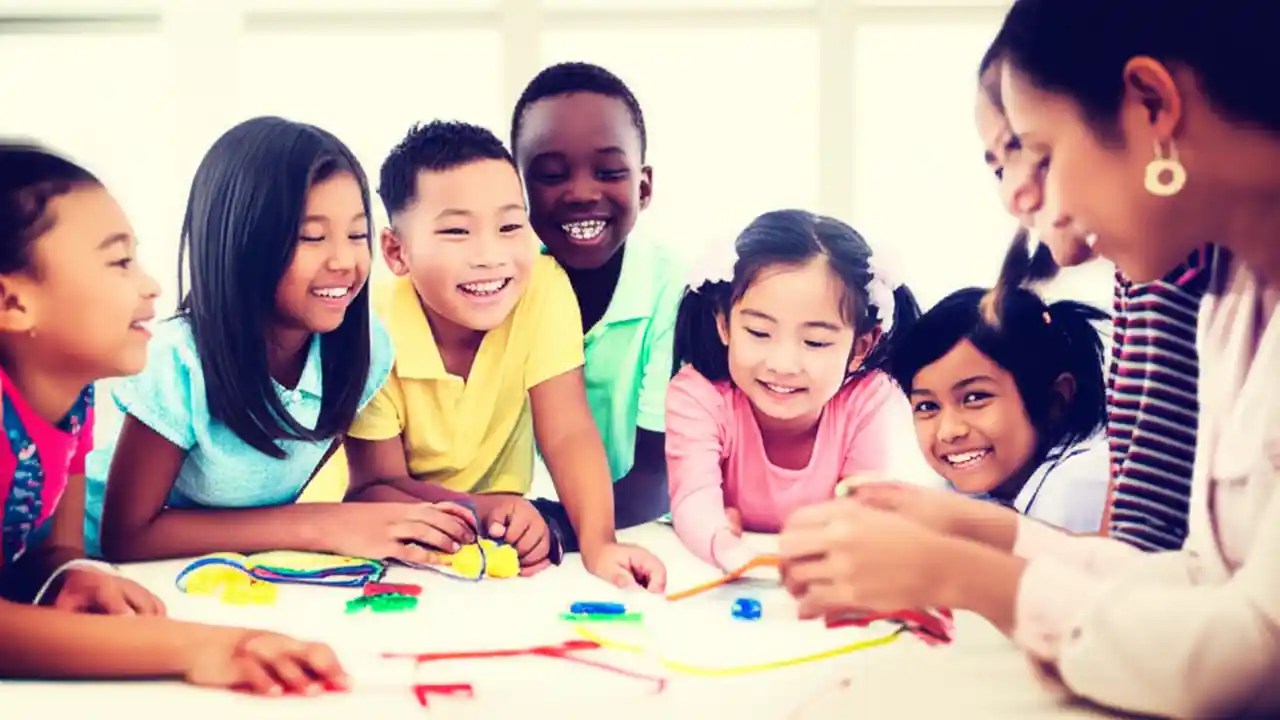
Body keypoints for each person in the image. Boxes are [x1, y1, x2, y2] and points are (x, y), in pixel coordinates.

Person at [780, 2, 1280, 716]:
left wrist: (961, 573)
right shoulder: (1237, 300)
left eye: (1038, 154)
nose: (1022, 198)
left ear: (1153, 104)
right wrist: (964, 530)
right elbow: (1204, 580)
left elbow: (1250, 661)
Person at [0, 141, 347, 694]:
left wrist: (68, 574)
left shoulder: (69, 399)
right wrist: (205, 645)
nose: (150, 284)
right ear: (12, 303)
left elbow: (51, 550)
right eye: (118, 262)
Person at [86, 116, 473, 565]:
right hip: (92, 569)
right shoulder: (180, 360)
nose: (345, 261)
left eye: (357, 234)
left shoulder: (362, 347)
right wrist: (319, 524)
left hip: (219, 574)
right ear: (241, 242)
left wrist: (476, 512)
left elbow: (375, 489)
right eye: (312, 236)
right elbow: (127, 536)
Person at [344, 120, 666, 591]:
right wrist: (482, 509)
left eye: (511, 226)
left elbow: (569, 431)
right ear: (396, 252)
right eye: (457, 231)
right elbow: (373, 489)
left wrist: (599, 544)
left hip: (495, 546)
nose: (490, 255)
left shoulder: (543, 287)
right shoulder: (372, 326)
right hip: (389, 550)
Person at [976, 33, 1212, 550]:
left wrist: (974, 544)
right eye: (997, 166)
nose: (1014, 192)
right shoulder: (1139, 279)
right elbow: (1132, 526)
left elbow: (1150, 550)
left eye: (1034, 149)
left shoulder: (1187, 274)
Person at [665, 209, 920, 570]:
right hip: (720, 574)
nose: (783, 364)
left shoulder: (869, 399)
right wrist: (721, 541)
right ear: (724, 324)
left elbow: (860, 512)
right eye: (758, 333)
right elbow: (693, 497)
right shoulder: (698, 395)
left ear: (860, 348)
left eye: (815, 342)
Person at [511, 61, 684, 542]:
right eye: (549, 175)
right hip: (539, 530)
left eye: (608, 171)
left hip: (656, 532)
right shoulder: (501, 282)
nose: (582, 193)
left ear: (643, 186)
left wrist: (551, 527)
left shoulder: (676, 290)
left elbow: (661, 480)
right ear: (517, 189)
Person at [889, 286, 1109, 532]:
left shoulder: (1077, 488)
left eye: (975, 398)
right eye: (928, 406)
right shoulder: (979, 492)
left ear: (1053, 401)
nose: (948, 432)